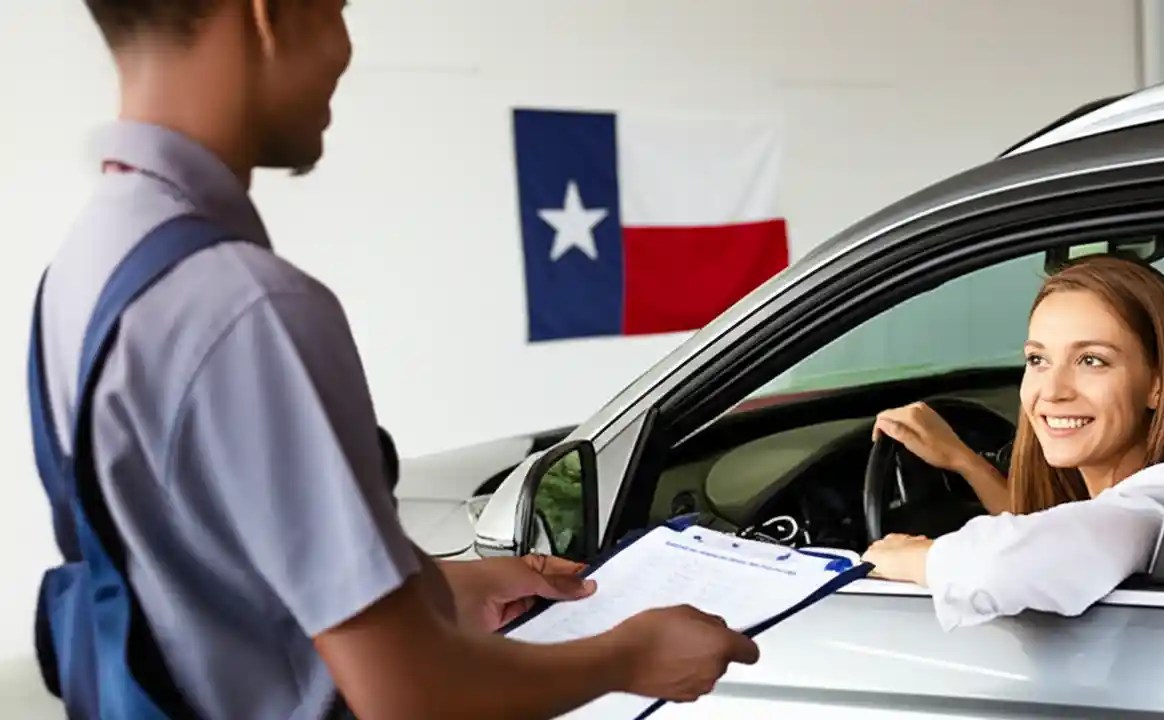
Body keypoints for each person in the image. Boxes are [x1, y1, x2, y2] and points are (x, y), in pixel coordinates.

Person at [32, 1, 758, 718]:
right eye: (339, 8)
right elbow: (413, 694)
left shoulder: (88, 270)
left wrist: (429, 587)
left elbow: (203, 567)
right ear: (268, 15)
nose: (346, 47)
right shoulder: (250, 306)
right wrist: (630, 657)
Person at [862, 255, 1164, 630]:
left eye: (1091, 360)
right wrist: (964, 462)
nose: (1052, 391)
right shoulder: (1147, 504)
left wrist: (913, 556)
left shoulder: (1153, 506)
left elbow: (1003, 565)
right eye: (1038, 359)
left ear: (1158, 383)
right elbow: (1051, 530)